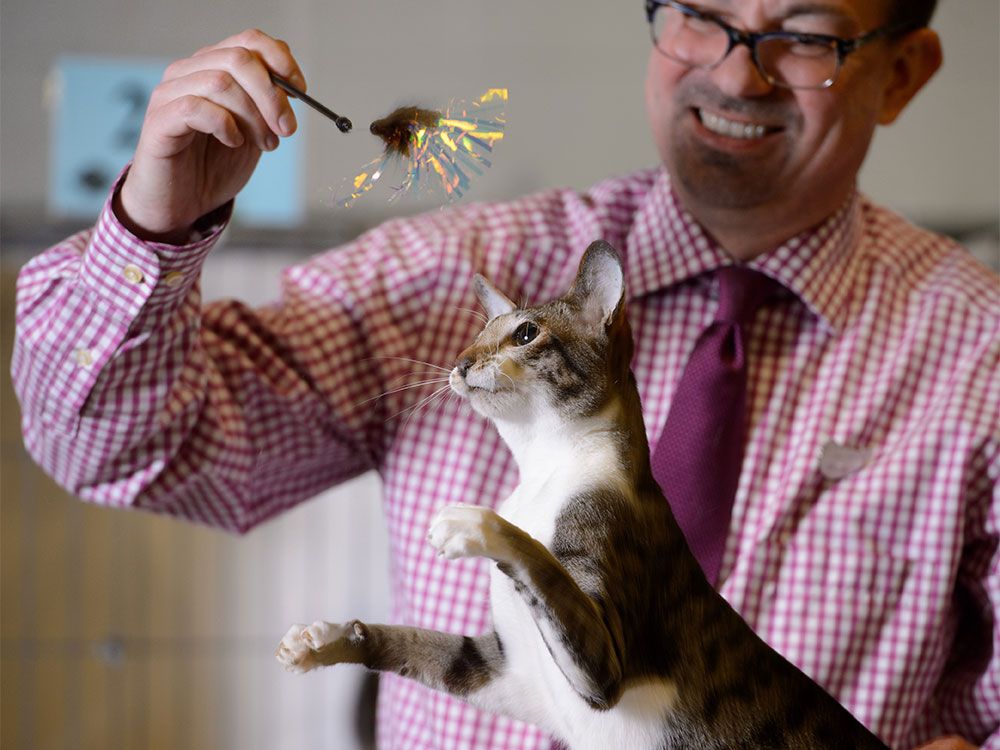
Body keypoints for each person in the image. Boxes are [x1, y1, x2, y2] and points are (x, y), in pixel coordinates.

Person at [11, 1, 998, 748]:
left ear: (905, 70)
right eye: (698, 16)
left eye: (807, 34)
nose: (738, 78)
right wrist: (157, 221)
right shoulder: (452, 279)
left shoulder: (979, 351)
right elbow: (114, 450)